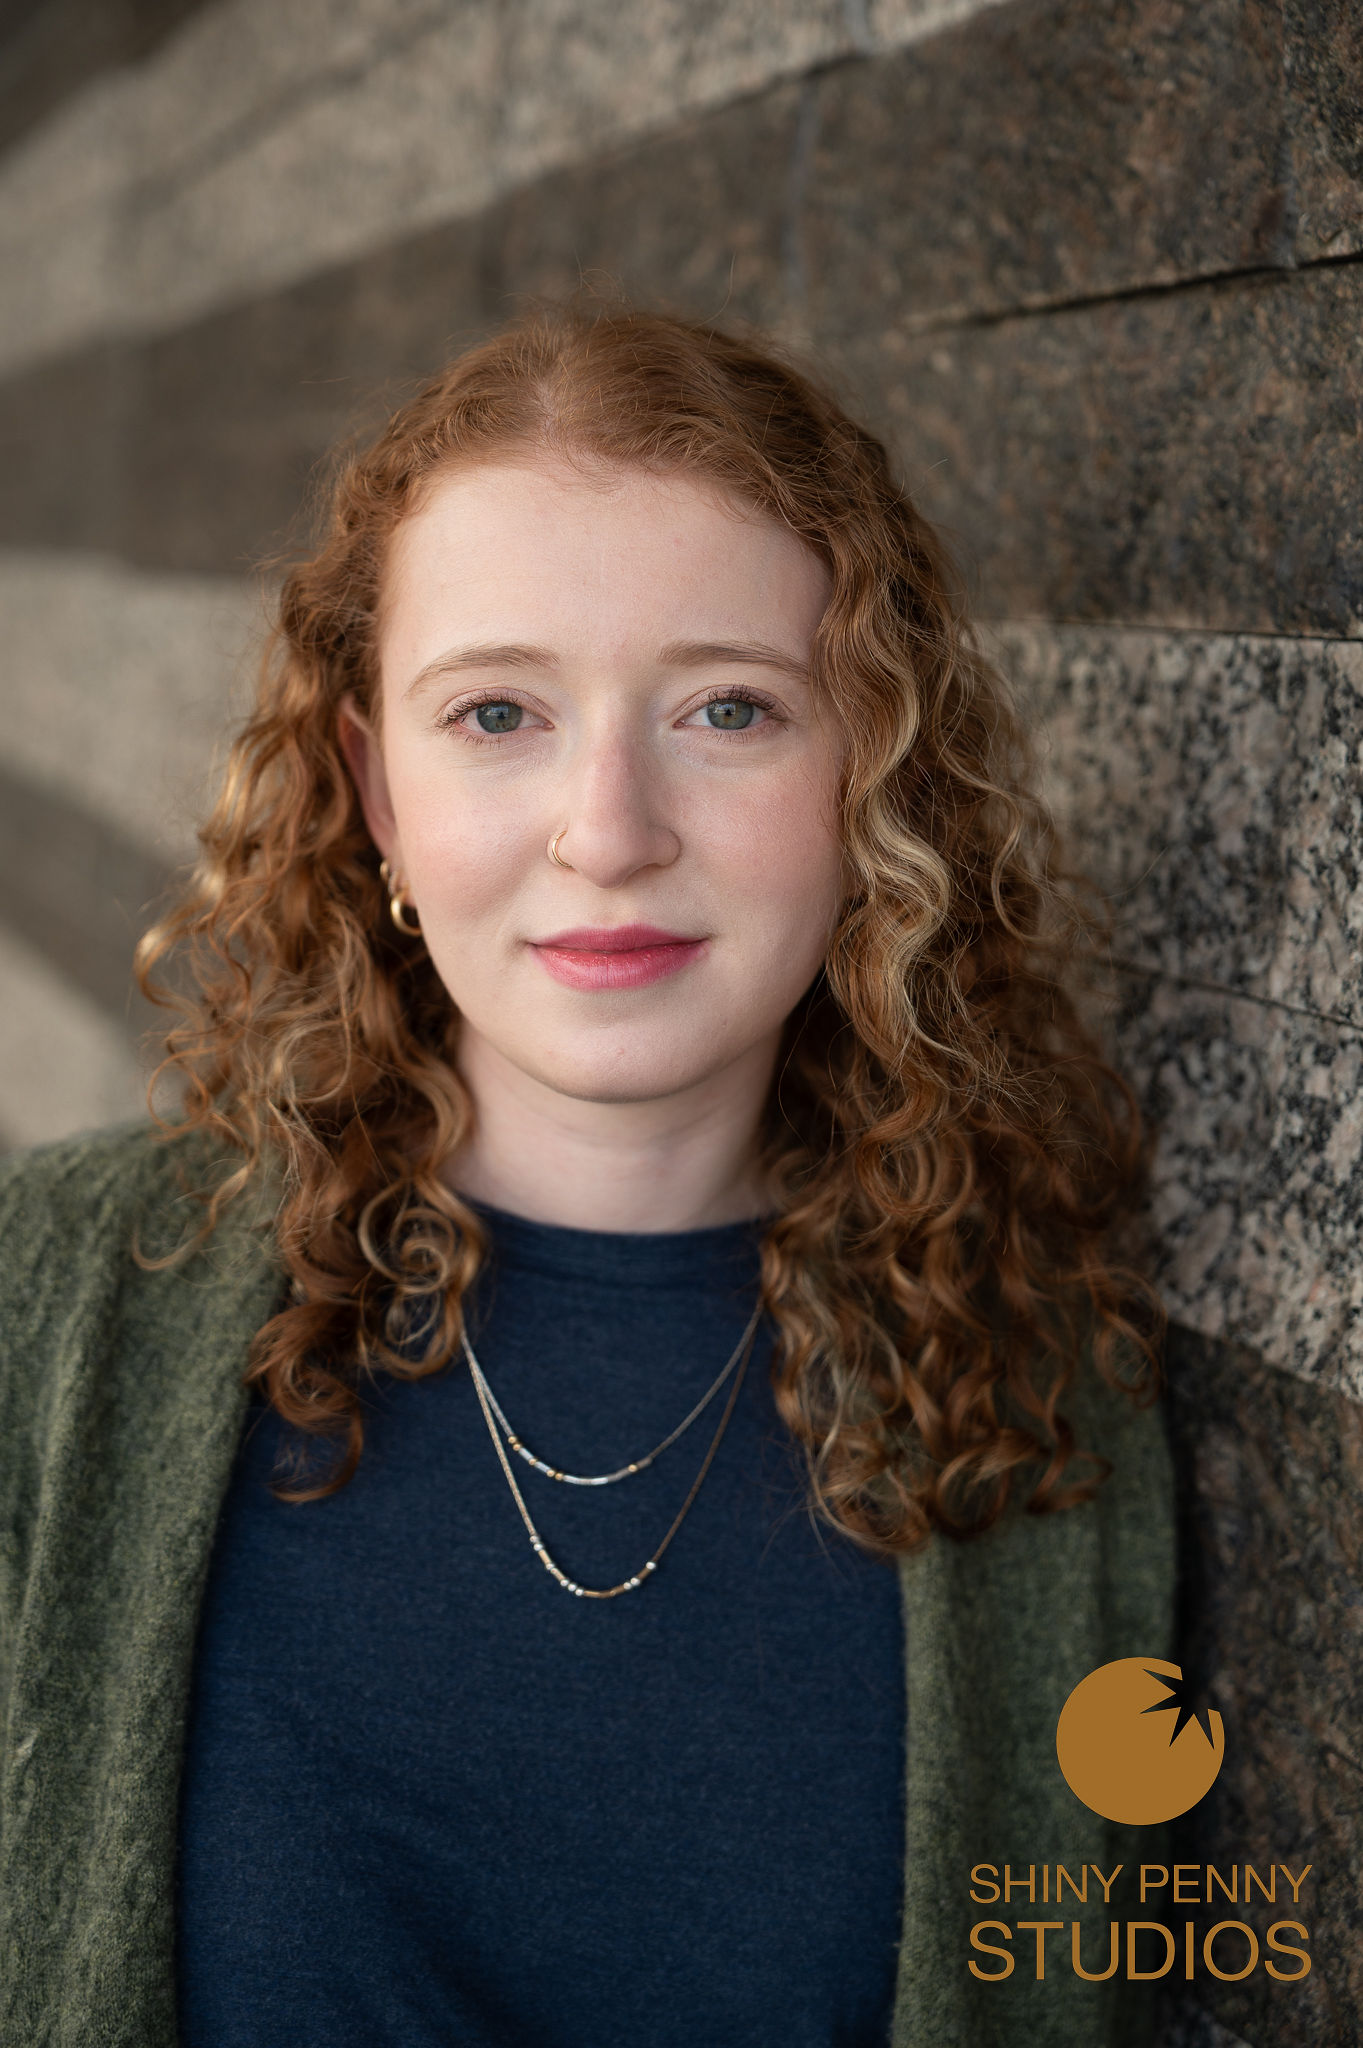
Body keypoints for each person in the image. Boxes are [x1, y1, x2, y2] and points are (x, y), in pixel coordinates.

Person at [0, 299, 1176, 2047]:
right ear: (374, 793)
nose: (610, 829)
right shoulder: (56, 1299)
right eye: (495, 715)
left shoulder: (1044, 1393)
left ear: (869, 772)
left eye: (726, 709)